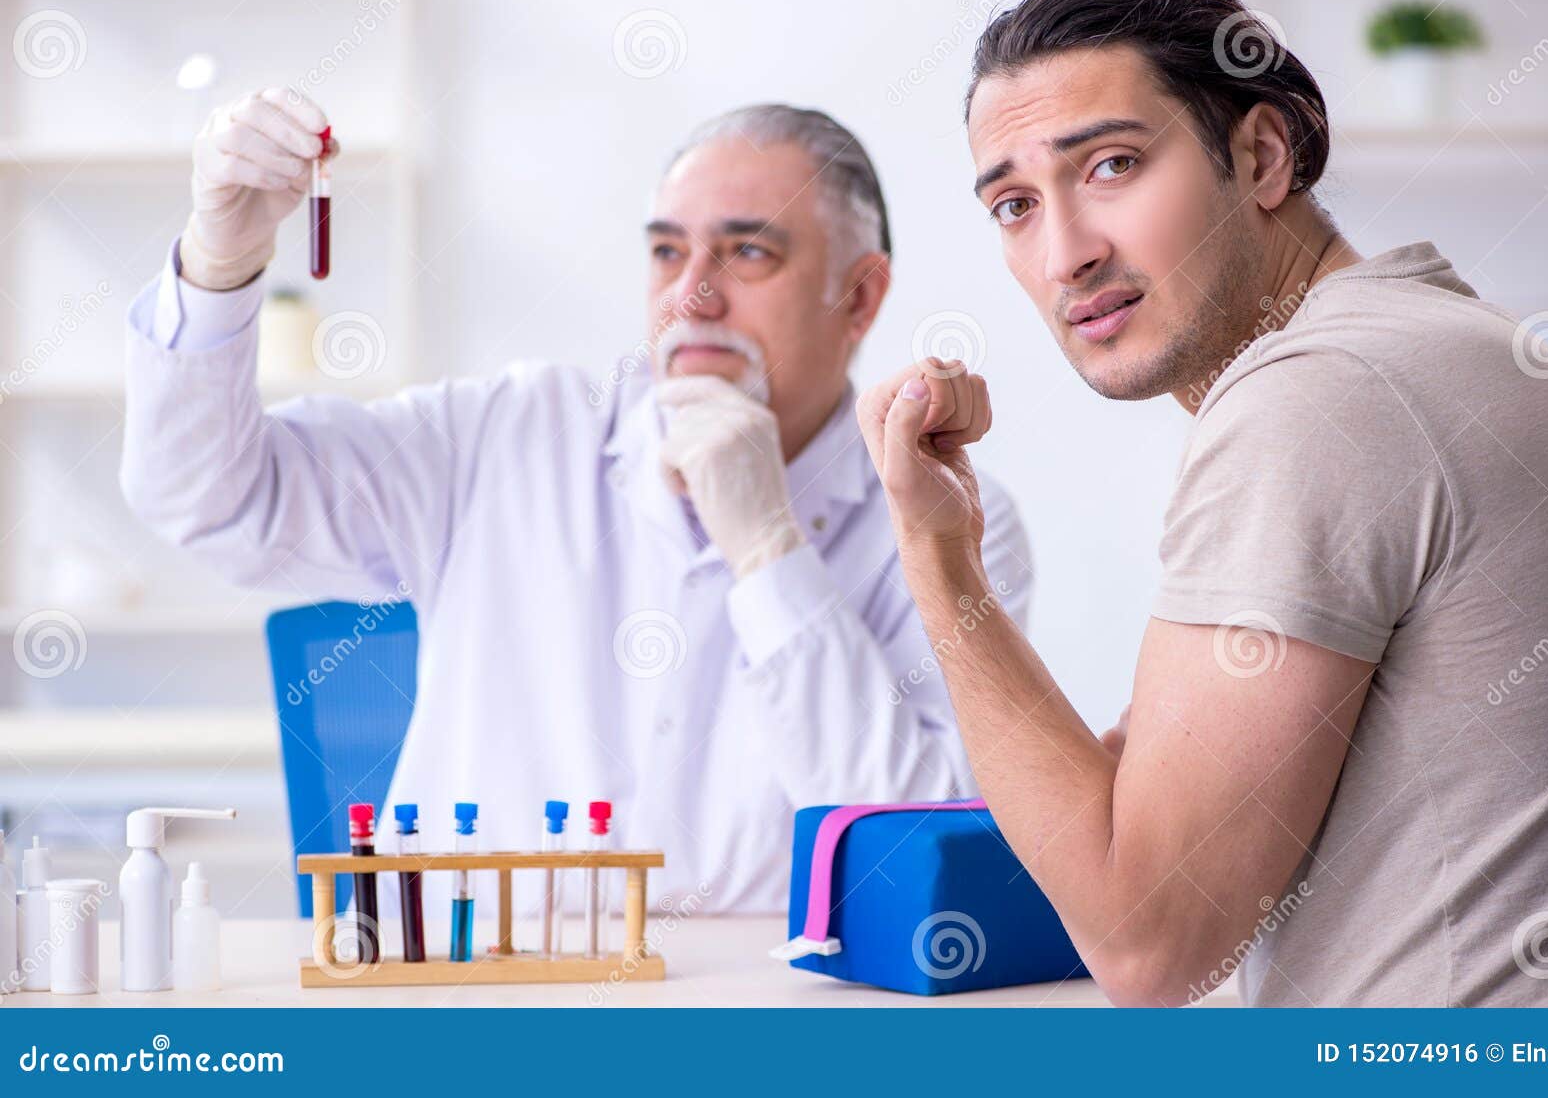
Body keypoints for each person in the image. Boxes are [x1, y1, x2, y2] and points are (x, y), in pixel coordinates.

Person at [858, 0, 1548, 1006]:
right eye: (1016, 204)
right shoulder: (1433, 345)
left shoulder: (1322, 398)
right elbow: (1145, 821)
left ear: (1259, 154)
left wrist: (937, 555)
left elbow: (1148, 945)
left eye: (1111, 164)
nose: (1064, 252)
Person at [120, 91, 1031, 922]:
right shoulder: (502, 435)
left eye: (749, 250)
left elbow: (919, 858)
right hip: (471, 1001)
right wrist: (219, 265)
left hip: (766, 1014)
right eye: (669, 250)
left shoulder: (943, 518)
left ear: (860, 295)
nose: (693, 294)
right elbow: (204, 500)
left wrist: (768, 547)